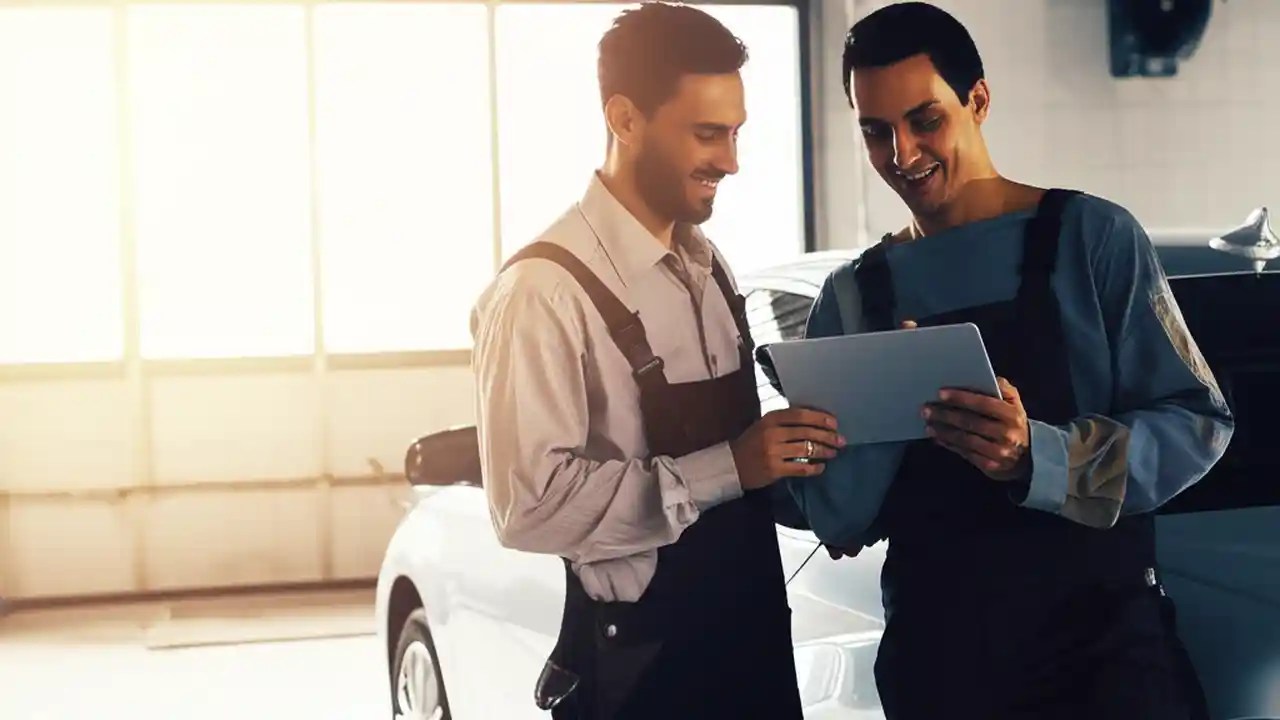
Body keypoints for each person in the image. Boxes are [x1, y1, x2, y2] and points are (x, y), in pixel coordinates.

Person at [786, 3, 1235, 719]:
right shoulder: (851, 298)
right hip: (942, 663)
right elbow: (838, 518)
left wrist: (1040, 456)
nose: (901, 154)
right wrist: (807, 452)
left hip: (1104, 659)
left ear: (979, 101)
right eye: (875, 131)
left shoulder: (1093, 239)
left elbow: (1198, 421)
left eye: (924, 120)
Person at [470, 3, 839, 718]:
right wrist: (729, 468)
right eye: (707, 134)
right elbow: (528, 508)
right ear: (625, 118)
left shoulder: (710, 268)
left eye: (734, 134)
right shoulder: (543, 291)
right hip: (639, 672)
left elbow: (744, 471)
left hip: (755, 642)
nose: (730, 160)